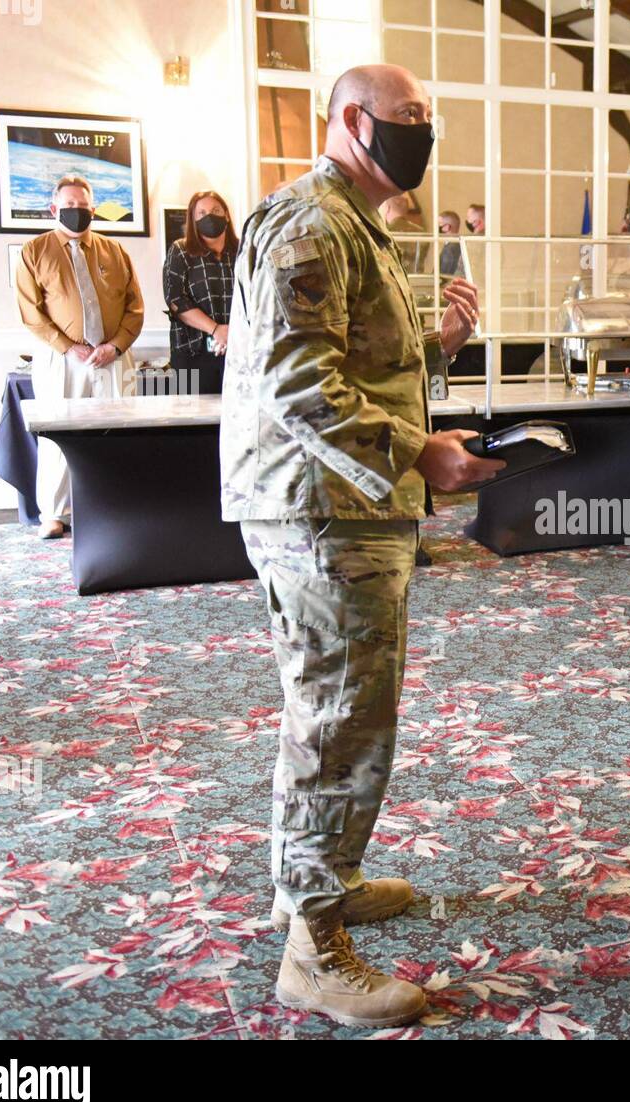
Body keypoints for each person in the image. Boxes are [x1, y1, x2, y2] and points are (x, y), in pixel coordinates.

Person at [220, 63, 504, 1027]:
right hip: (321, 511)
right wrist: (419, 449)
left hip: (348, 503)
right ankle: (312, 947)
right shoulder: (310, 221)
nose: (425, 136)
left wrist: (434, 347)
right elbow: (294, 383)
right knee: (340, 720)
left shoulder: (351, 219)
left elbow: (353, 360)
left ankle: (321, 885)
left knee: (339, 708)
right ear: (353, 121)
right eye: (411, 120)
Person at [15, 175, 144, 539]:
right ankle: (55, 514)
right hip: (63, 359)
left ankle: (116, 503)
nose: (77, 212)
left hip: (113, 357)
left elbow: (135, 307)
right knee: (59, 433)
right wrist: (69, 347)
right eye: (69, 206)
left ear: (93, 210)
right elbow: (31, 312)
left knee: (118, 431)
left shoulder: (114, 251)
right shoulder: (35, 251)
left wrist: (113, 346)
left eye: (83, 207)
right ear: (54, 208)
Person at [162, 190, 238, 395]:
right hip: (192, 353)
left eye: (215, 210)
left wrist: (232, 333)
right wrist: (216, 330)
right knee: (193, 422)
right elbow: (175, 299)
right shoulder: (181, 250)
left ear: (227, 215)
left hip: (236, 350)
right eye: (201, 213)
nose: (209, 216)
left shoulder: (243, 250)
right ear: (193, 220)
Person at [438, 209, 462, 276]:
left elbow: (444, 276)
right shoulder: (457, 244)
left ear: (447, 227)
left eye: (439, 224)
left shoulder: (450, 249)